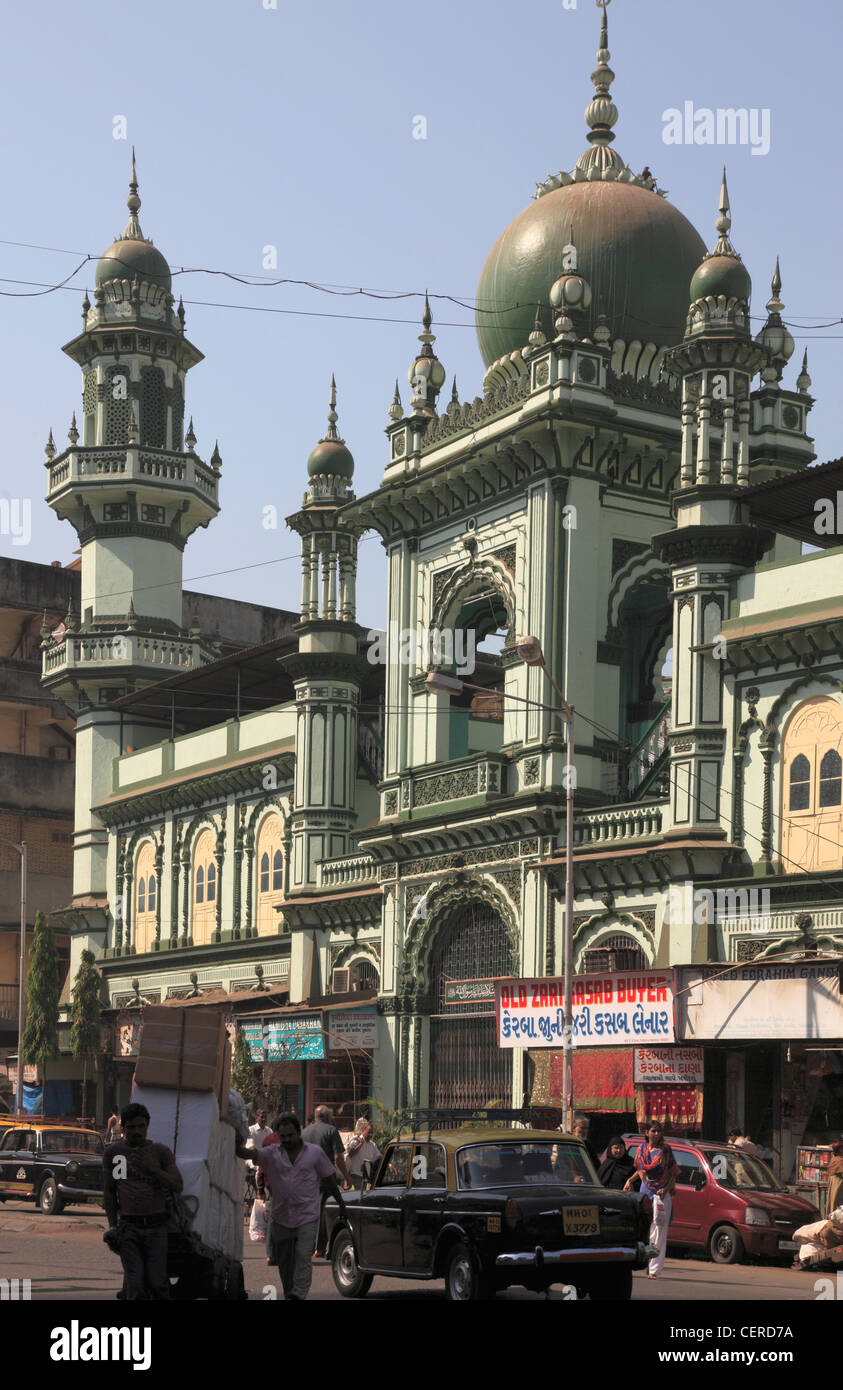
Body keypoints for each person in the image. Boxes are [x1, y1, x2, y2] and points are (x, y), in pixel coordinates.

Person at [236, 1112, 346, 1301]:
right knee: (285, 1263)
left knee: (303, 1258)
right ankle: (290, 1293)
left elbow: (329, 1179)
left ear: (298, 1132)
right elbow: (248, 1154)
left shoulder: (315, 1153)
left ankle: (298, 1294)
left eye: (290, 1135)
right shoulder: (272, 1153)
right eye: (283, 1136)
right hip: (281, 1218)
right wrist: (235, 1137)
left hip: (307, 1217)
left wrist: (341, 1203)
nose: (287, 1140)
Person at [102, 1102, 183, 1301]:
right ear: (122, 1127)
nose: (136, 1131)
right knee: (135, 1284)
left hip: (157, 1227)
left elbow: (177, 1185)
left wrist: (152, 1169)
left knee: (157, 1282)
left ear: (147, 1126)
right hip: (129, 1228)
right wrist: (113, 1226)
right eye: (131, 1127)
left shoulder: (160, 1153)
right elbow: (110, 1192)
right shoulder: (115, 1154)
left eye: (141, 1126)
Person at [625, 1121, 677, 1279]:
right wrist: (630, 1180)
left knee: (659, 1231)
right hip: (645, 1193)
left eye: (659, 1131)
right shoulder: (641, 1150)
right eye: (653, 1131)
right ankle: (644, 1261)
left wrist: (665, 1189)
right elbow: (640, 1170)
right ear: (647, 1132)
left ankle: (654, 1269)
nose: (656, 1134)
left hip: (661, 1195)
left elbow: (673, 1175)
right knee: (645, 1229)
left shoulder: (666, 1151)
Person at [302, 1105, 349, 1255]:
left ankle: (308, 1245)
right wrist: (347, 1177)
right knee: (324, 1212)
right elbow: (337, 1157)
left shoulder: (305, 1131)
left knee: (309, 1211)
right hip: (324, 1178)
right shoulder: (331, 1130)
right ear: (328, 1117)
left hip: (307, 1178)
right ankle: (319, 1247)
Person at [344, 1117, 381, 1189]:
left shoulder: (372, 1145)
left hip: (365, 1174)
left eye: (372, 1133)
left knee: (363, 1193)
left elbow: (379, 1156)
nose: (370, 1134)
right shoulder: (356, 1140)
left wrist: (388, 1164)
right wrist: (360, 1144)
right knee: (359, 1193)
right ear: (364, 1131)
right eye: (369, 1132)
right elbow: (351, 1154)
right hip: (356, 1173)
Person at [826, 1140, 843, 1216]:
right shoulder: (840, 1160)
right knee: (838, 1205)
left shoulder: (834, 1159)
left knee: (833, 1203)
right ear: (839, 1150)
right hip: (839, 1186)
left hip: (834, 1185)